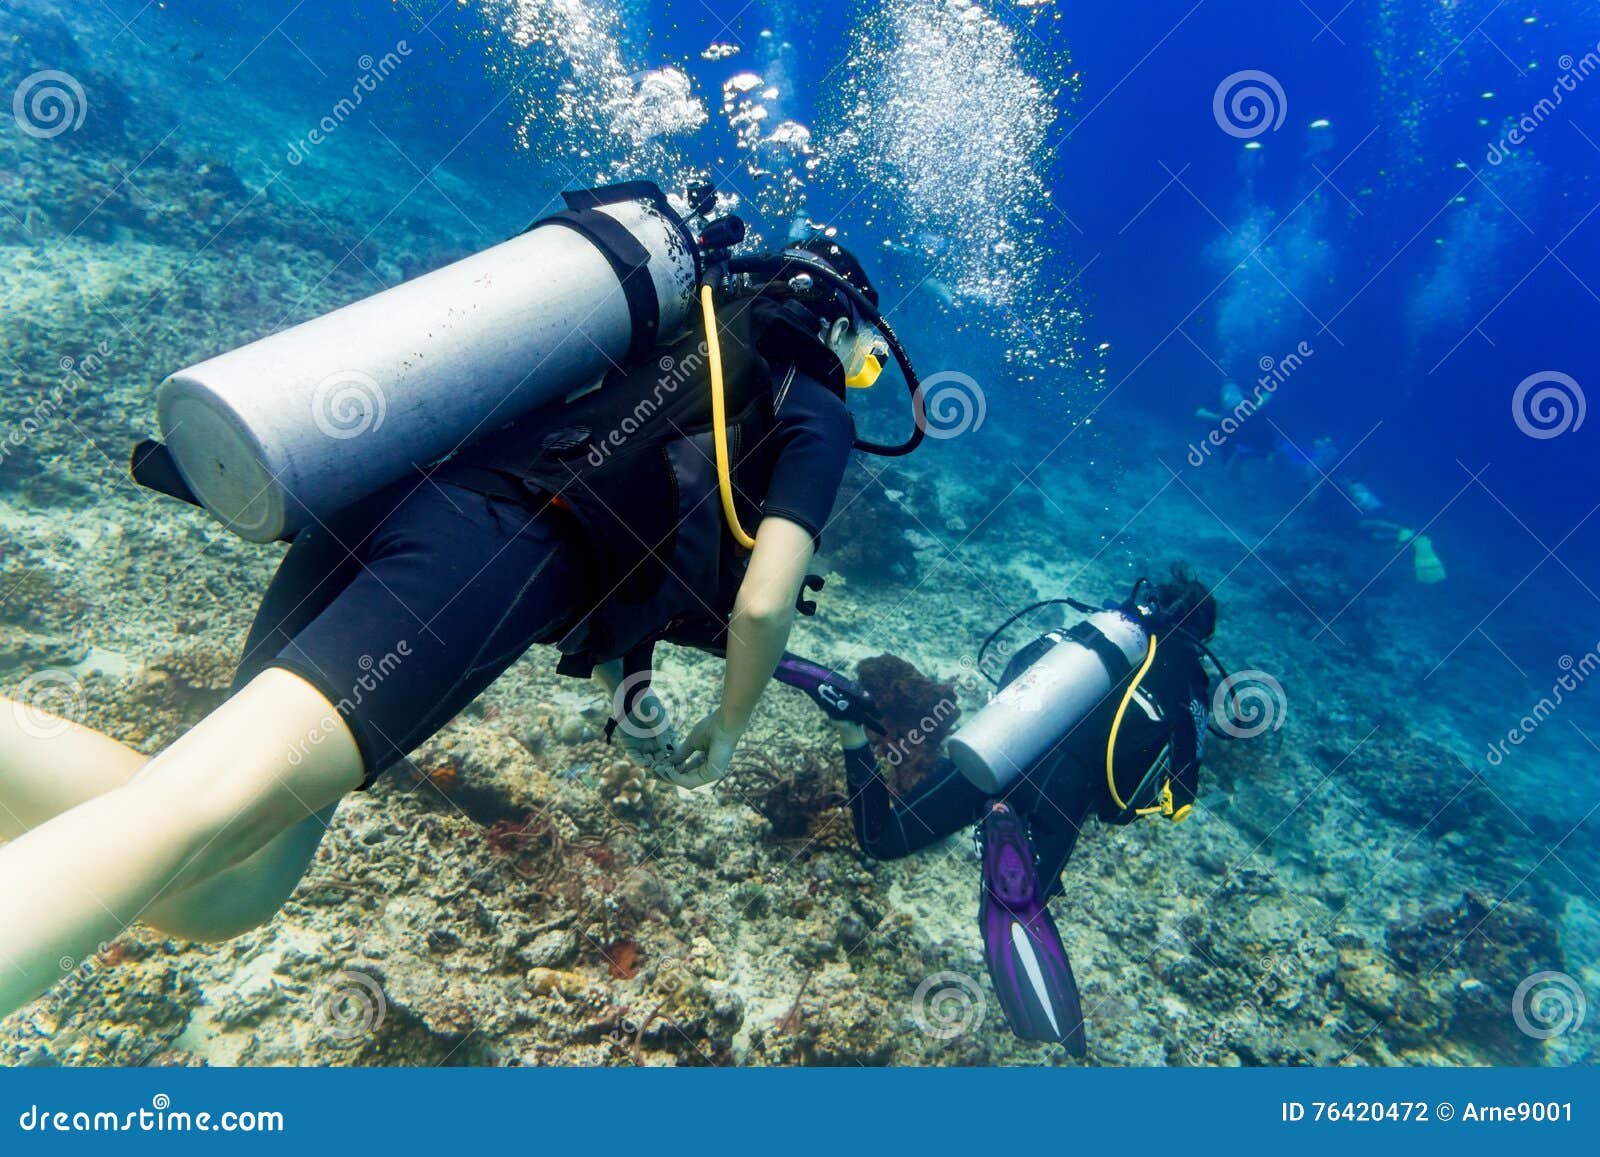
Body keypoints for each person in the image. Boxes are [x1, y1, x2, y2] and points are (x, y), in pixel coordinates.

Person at [0, 221, 901, 1018]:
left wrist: (629, 690)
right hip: (473, 567)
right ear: (846, 334)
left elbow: (606, 489)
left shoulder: (660, 326)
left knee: (235, 886)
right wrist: (732, 725)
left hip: (372, 505)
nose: (855, 375)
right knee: (193, 815)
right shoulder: (813, 402)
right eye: (864, 361)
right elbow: (762, 598)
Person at [795, 567, 1227, 1055]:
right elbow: (1178, 794)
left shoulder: (1092, 630)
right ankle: (1004, 832)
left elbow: (1015, 671)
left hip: (996, 749)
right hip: (1064, 790)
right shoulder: (1189, 679)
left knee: (883, 839)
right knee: (1022, 902)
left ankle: (850, 724)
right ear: (1201, 636)